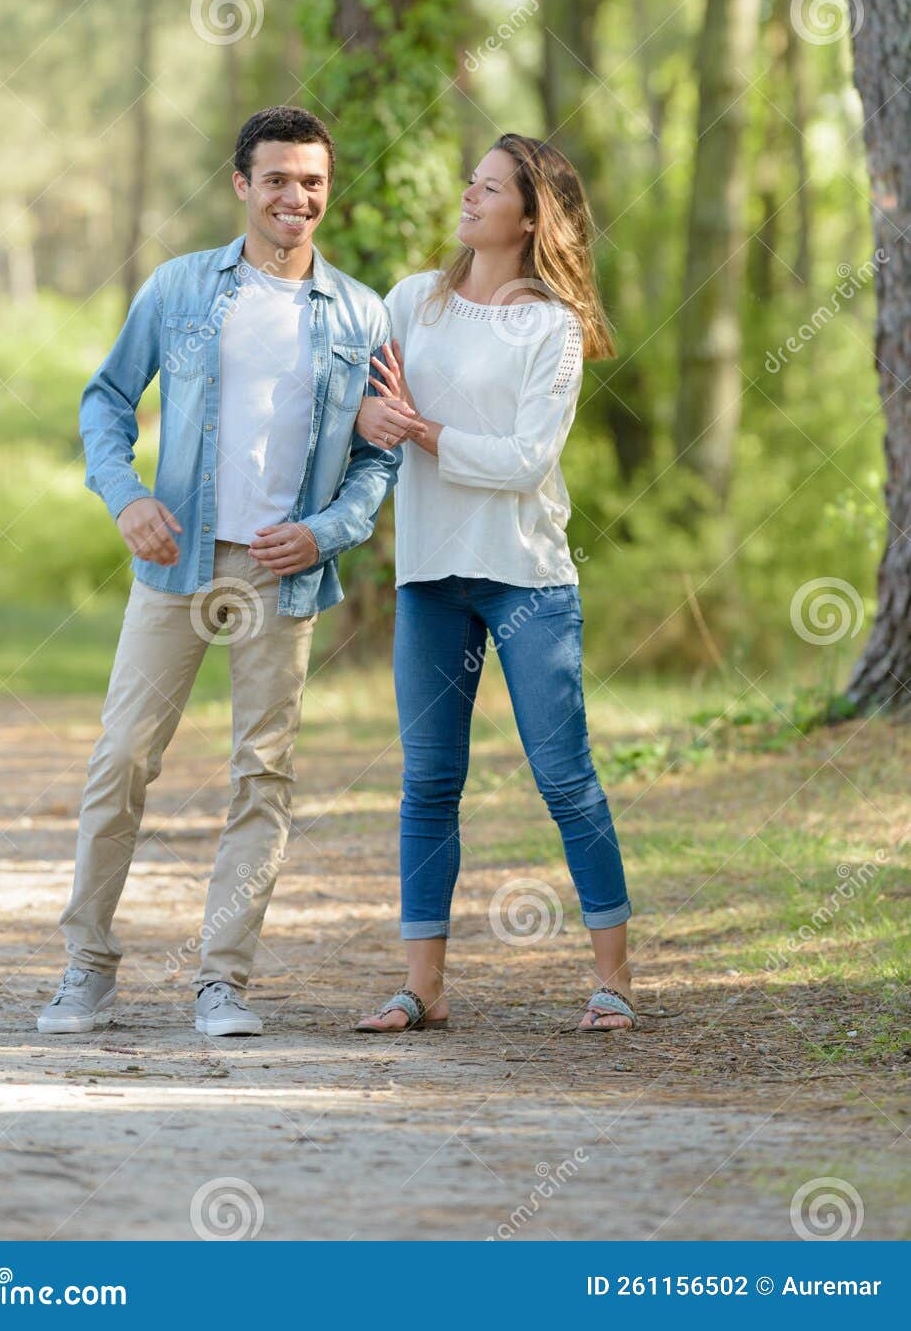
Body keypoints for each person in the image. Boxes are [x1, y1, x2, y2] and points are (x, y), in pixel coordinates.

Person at [38, 106, 400, 1038]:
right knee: (123, 757)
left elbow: (381, 453)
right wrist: (126, 498)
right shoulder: (180, 288)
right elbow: (106, 400)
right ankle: (86, 967)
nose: (296, 197)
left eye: (312, 181)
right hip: (177, 561)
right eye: (277, 178)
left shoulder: (360, 312)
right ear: (242, 185)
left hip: (282, 573)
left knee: (263, 774)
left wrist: (328, 532)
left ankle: (222, 981)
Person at [354, 134, 636, 1034]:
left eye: (490, 187)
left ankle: (615, 981)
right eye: (470, 182)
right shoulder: (414, 302)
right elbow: (362, 410)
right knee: (428, 782)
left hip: (524, 579)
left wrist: (425, 431)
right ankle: (422, 988)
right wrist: (372, 413)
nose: (469, 196)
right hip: (429, 574)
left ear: (530, 214)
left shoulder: (551, 326)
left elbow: (525, 461)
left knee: (564, 778)